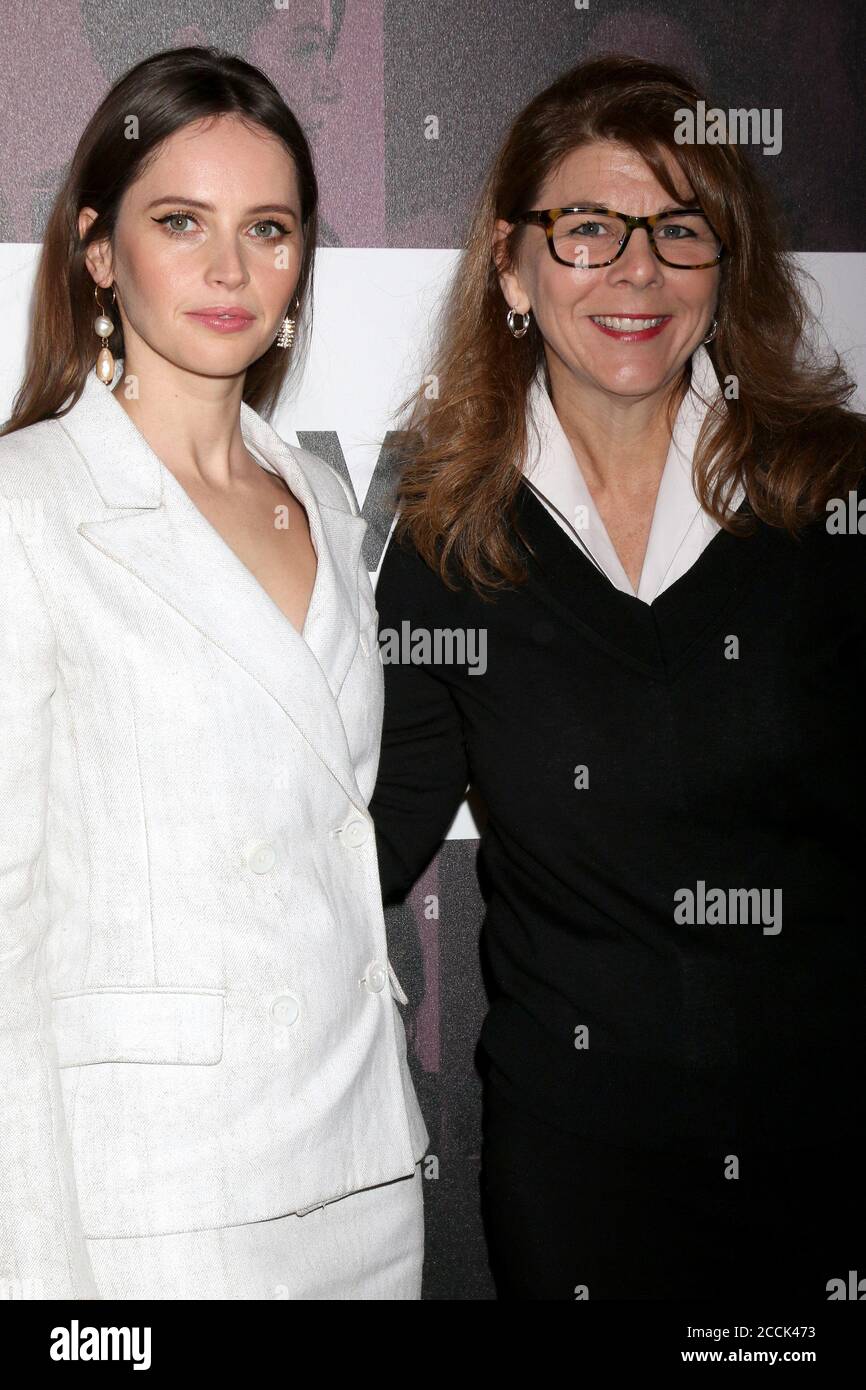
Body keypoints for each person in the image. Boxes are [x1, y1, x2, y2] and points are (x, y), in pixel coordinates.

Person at [369, 54, 866, 1300]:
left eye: (676, 230)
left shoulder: (833, 491)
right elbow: (366, 842)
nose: (634, 270)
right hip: (578, 1173)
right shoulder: (449, 538)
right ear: (513, 264)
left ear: (723, 264)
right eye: (586, 229)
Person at [0, 45, 427, 1301]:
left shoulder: (320, 495)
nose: (231, 269)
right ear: (96, 251)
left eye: (270, 228)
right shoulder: (25, 508)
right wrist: (36, 1272)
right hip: (157, 1200)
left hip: (363, 1165)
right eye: (181, 222)